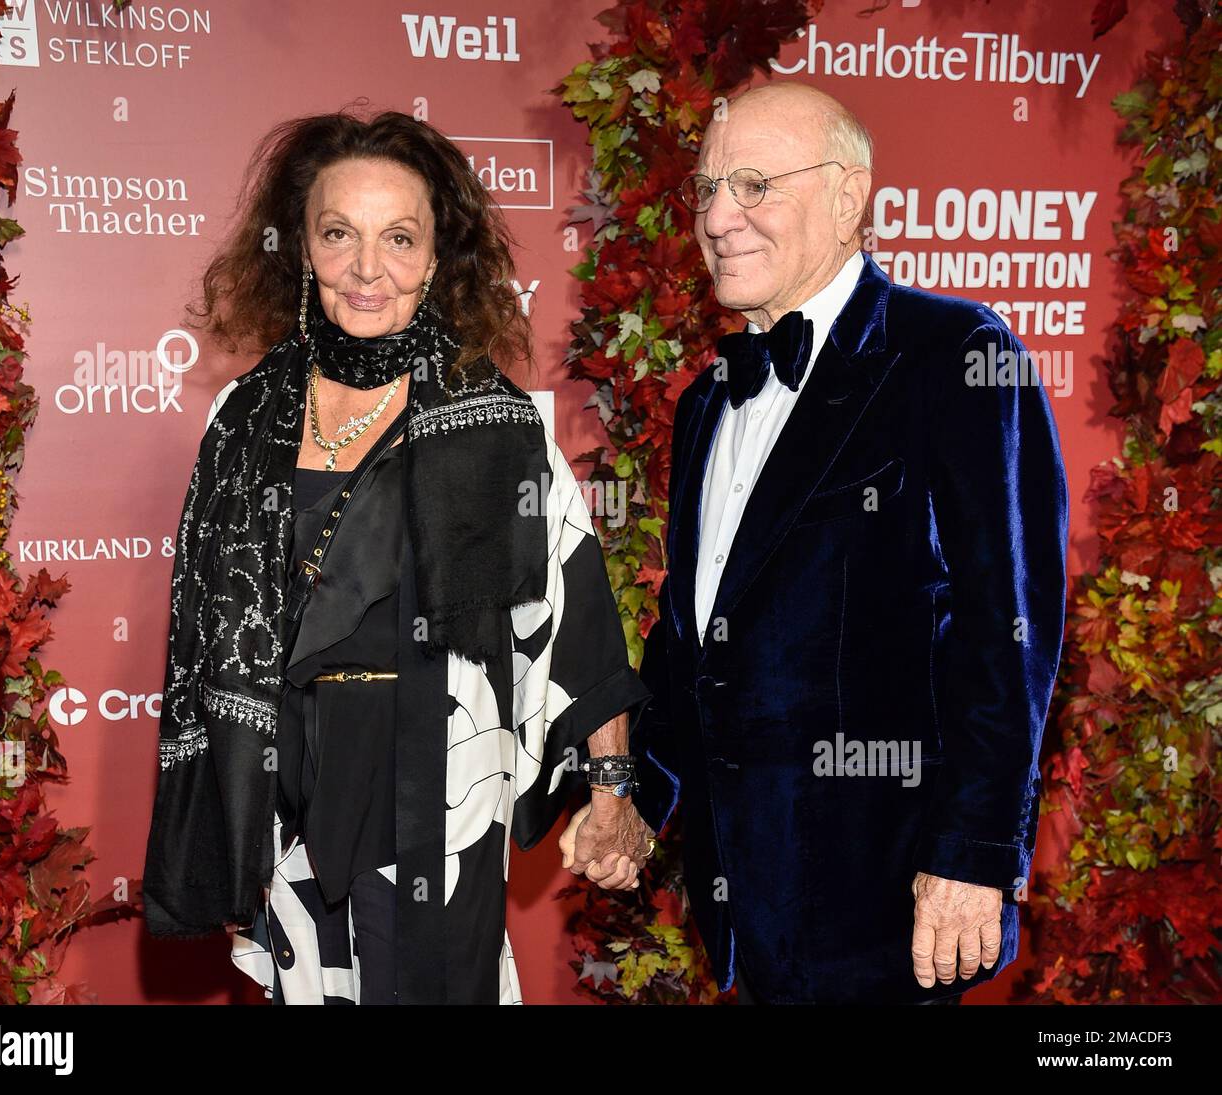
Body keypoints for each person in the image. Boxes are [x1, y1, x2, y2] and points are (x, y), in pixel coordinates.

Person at [141, 110, 652, 1004]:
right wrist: (224, 820)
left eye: (399, 239)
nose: (367, 269)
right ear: (301, 247)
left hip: (436, 781)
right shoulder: (243, 420)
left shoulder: (494, 422)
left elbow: (575, 618)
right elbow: (201, 642)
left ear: (437, 258)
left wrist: (609, 785)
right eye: (339, 234)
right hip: (285, 787)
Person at [614, 83, 1069, 1004]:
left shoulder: (954, 353)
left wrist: (976, 854)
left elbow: (1008, 625)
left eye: (753, 184)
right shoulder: (708, 402)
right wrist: (636, 796)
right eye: (706, 189)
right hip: (746, 911)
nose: (717, 216)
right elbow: (692, 639)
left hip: (889, 906)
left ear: (850, 194)